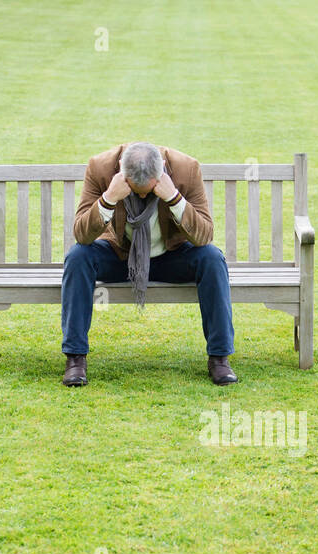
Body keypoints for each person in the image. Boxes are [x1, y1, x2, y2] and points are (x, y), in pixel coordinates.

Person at [61, 142, 237, 387]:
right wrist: (109, 198)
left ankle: (219, 358)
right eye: (136, 190)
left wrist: (173, 197)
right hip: (121, 256)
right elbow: (82, 235)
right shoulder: (100, 168)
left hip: (170, 256)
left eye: (149, 190)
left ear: (162, 170)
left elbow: (204, 235)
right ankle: (75, 359)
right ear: (122, 173)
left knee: (212, 259)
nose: (143, 196)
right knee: (78, 257)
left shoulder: (187, 169)